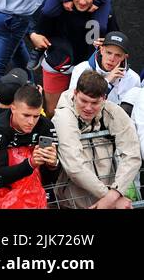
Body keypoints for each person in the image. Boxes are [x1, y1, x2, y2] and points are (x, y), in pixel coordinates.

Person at [50, 70, 142, 209]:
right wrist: (110, 198)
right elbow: (74, 166)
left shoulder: (112, 111)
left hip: (111, 197)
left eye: (94, 103)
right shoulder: (64, 116)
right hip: (72, 202)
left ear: (104, 98)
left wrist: (115, 192)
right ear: (75, 93)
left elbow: (132, 154)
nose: (88, 107)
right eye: (83, 101)